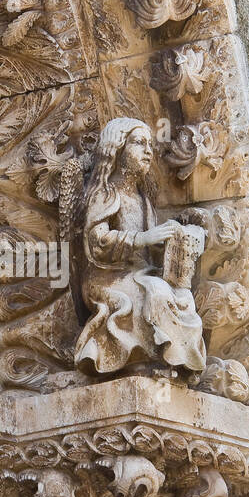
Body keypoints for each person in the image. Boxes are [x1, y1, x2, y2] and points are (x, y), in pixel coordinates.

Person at [74, 117, 207, 377]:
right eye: (138, 143)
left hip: (140, 273)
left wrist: (178, 241)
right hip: (107, 277)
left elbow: (149, 250)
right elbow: (96, 241)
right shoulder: (106, 194)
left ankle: (177, 360)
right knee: (156, 292)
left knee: (182, 297)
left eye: (149, 144)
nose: (148, 150)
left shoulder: (143, 200)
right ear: (117, 149)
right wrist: (141, 239)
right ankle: (144, 358)